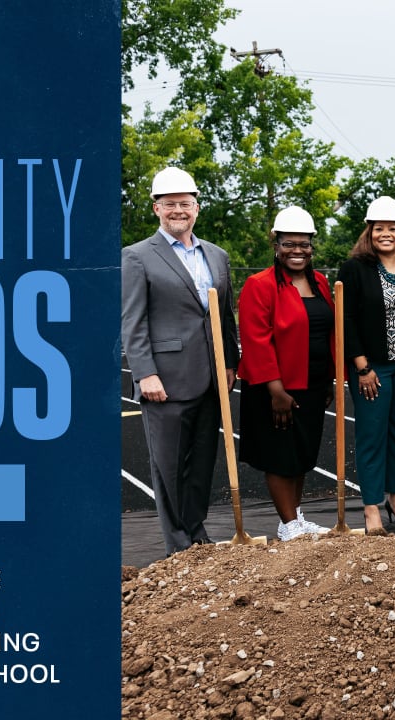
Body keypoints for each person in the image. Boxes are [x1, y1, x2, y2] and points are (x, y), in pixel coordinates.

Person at [121, 167, 239, 556]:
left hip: (210, 378)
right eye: (169, 204)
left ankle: (196, 532)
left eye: (184, 204)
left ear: (197, 208)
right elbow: (133, 322)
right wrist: (145, 373)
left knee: (202, 463)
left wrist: (230, 362)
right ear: (156, 209)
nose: (178, 211)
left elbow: (225, 315)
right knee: (169, 468)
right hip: (165, 380)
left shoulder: (217, 257)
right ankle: (177, 545)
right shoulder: (137, 257)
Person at [237, 207, 334, 542]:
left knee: (302, 454)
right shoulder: (259, 284)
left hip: (312, 382)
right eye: (289, 244)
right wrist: (275, 390)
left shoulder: (319, 282)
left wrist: (331, 378)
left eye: (304, 244)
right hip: (276, 388)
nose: (298, 250)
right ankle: (289, 523)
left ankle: (293, 518)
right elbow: (255, 339)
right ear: (276, 245)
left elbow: (325, 332)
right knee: (280, 455)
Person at [339, 196, 395, 535]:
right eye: (379, 228)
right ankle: (371, 507)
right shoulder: (355, 268)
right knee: (372, 437)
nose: (386, 234)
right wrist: (361, 367)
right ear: (369, 232)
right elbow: (348, 318)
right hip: (373, 368)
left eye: (392, 228)